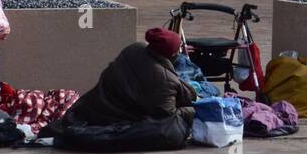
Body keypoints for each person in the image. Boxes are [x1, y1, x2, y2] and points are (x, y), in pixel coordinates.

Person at [47, 28, 197, 134]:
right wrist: (193, 110)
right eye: (177, 50)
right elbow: (167, 116)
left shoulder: (134, 48)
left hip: (94, 105)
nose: (179, 53)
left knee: (187, 72)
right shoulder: (164, 80)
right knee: (202, 86)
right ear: (170, 54)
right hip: (114, 117)